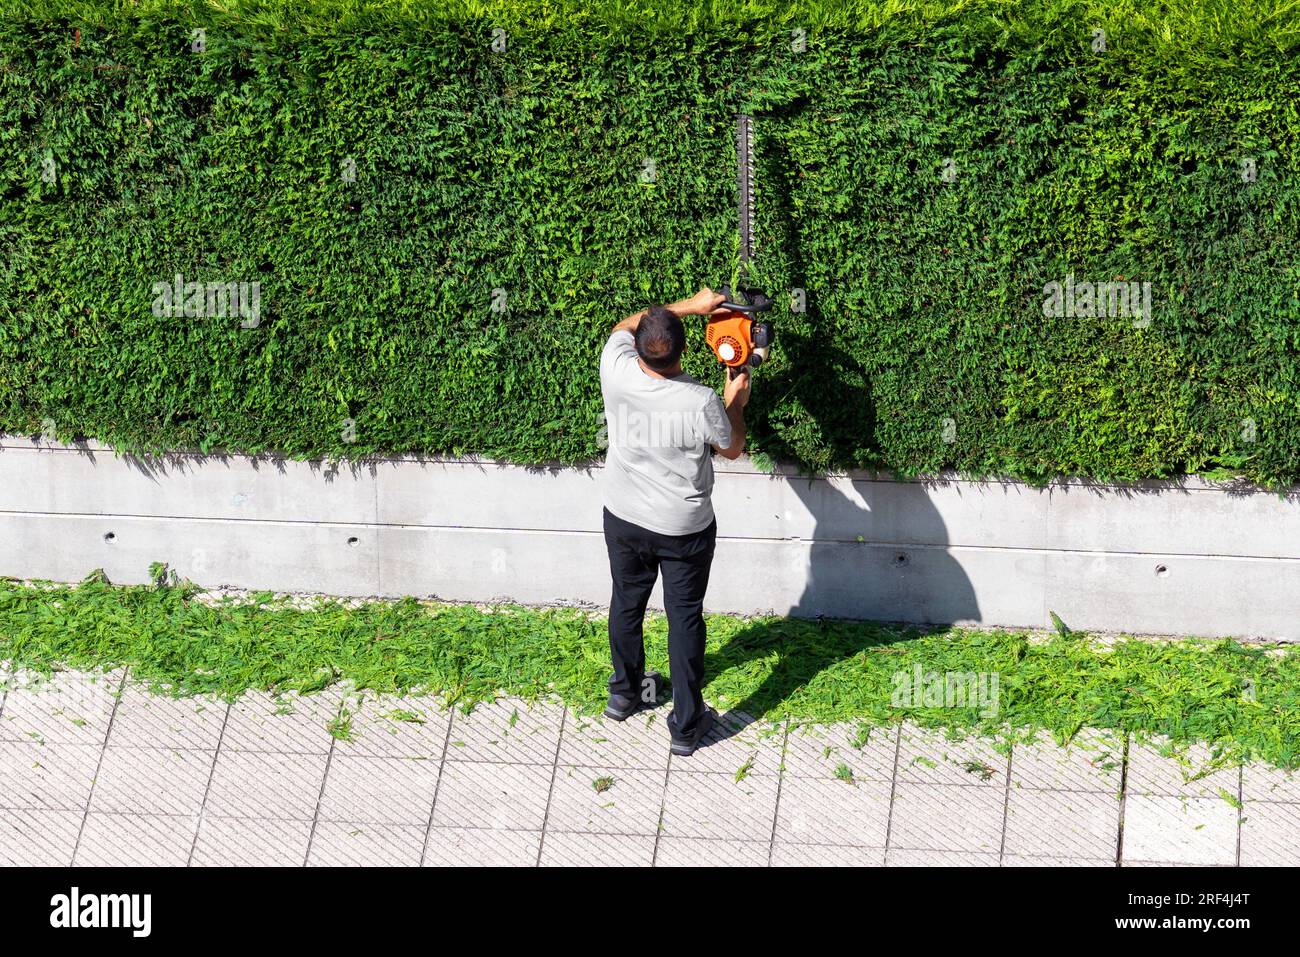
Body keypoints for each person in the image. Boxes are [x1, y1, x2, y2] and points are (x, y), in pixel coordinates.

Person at [597, 287, 750, 756]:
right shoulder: (701, 400)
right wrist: (736, 398)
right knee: (683, 616)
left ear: (639, 348)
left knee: (627, 601)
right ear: (686, 351)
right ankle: (686, 725)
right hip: (683, 527)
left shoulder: (615, 368)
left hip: (623, 515)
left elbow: (622, 326)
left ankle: (625, 694)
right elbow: (732, 447)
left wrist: (688, 305)